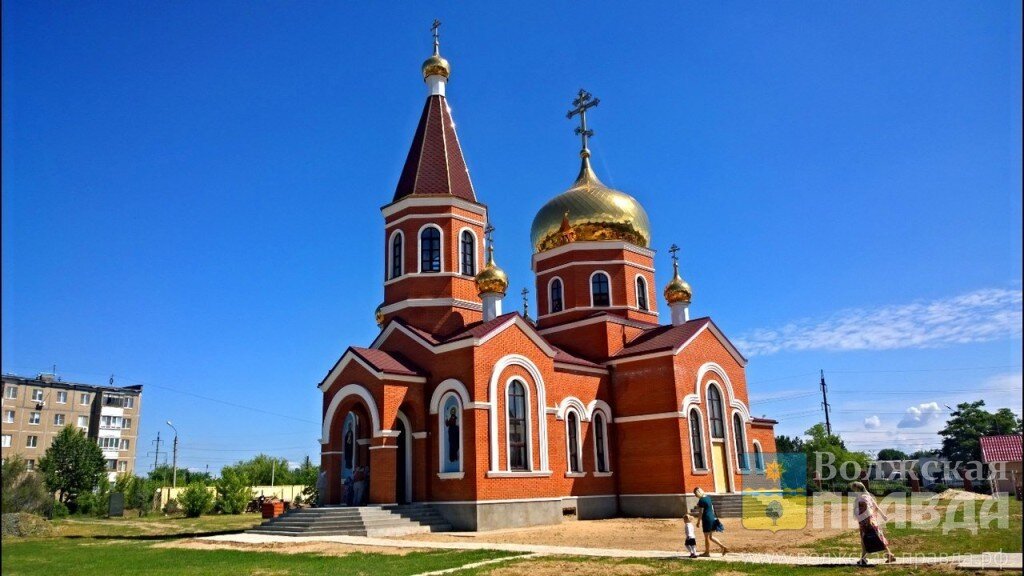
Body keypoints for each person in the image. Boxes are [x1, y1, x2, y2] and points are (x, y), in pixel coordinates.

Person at [850, 481, 896, 565]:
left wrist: (866, 522)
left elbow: (864, 510)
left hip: (866, 521)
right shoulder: (868, 496)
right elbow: (876, 507)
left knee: (865, 539)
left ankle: (864, 559)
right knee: (878, 537)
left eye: (854, 489)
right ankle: (888, 555)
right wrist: (883, 516)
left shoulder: (861, 498)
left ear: (858, 488)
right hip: (872, 520)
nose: (854, 491)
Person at [693, 487, 728, 556]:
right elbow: (711, 508)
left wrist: (698, 522)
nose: (695, 496)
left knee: (706, 537)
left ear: (697, 493)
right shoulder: (708, 498)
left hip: (706, 519)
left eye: (695, 494)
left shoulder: (701, 500)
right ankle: (723, 547)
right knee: (710, 537)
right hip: (712, 518)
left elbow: (701, 512)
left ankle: (707, 552)